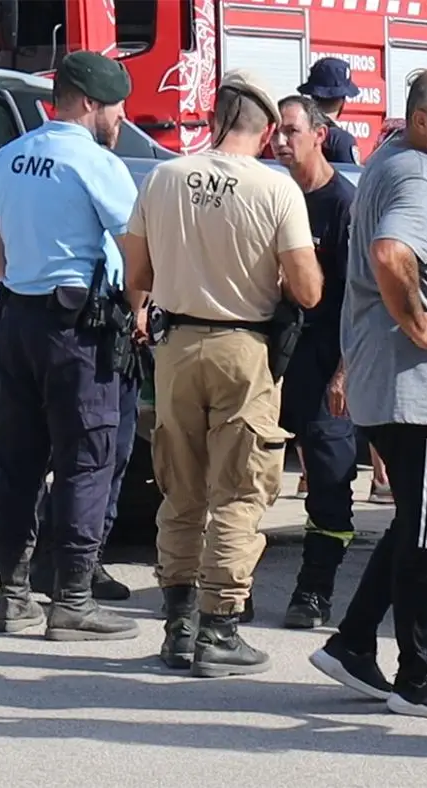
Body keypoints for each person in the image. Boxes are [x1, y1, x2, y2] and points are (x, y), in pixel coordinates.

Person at [308, 67, 427, 721]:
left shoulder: (402, 163)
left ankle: (353, 644)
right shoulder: (418, 176)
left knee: (416, 524)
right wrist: (419, 322)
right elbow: (392, 254)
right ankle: (417, 673)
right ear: (423, 121)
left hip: (424, 392)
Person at [122, 70, 324, 677]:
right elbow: (309, 291)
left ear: (214, 119)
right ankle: (220, 627)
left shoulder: (162, 177)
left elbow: (137, 273)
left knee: (179, 489)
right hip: (245, 348)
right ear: (265, 133)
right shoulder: (277, 188)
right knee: (238, 491)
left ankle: (178, 625)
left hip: (176, 346)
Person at [0, 50, 140, 642]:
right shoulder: (95, 162)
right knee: (87, 460)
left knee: (18, 461)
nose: (120, 116)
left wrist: (12, 275)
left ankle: (12, 597)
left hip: (16, 320)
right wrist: (141, 305)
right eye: (115, 105)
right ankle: (73, 601)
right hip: (77, 332)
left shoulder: (11, 155)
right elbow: (134, 246)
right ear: (89, 104)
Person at [272, 94, 360, 629]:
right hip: (274, 357)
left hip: (328, 361)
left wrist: (344, 372)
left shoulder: (342, 204)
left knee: (330, 481)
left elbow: (358, 298)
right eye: (276, 133)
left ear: (319, 135)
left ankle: (314, 591)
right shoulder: (275, 194)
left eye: (290, 132)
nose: (280, 141)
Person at [29, 350, 143, 602]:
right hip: (92, 347)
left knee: (109, 457)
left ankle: (85, 562)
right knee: (90, 461)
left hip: (119, 350)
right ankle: (62, 564)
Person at [297, 56, 362, 164]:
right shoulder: (341, 140)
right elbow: (350, 178)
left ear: (312, 95)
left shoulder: (290, 132)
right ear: (342, 99)